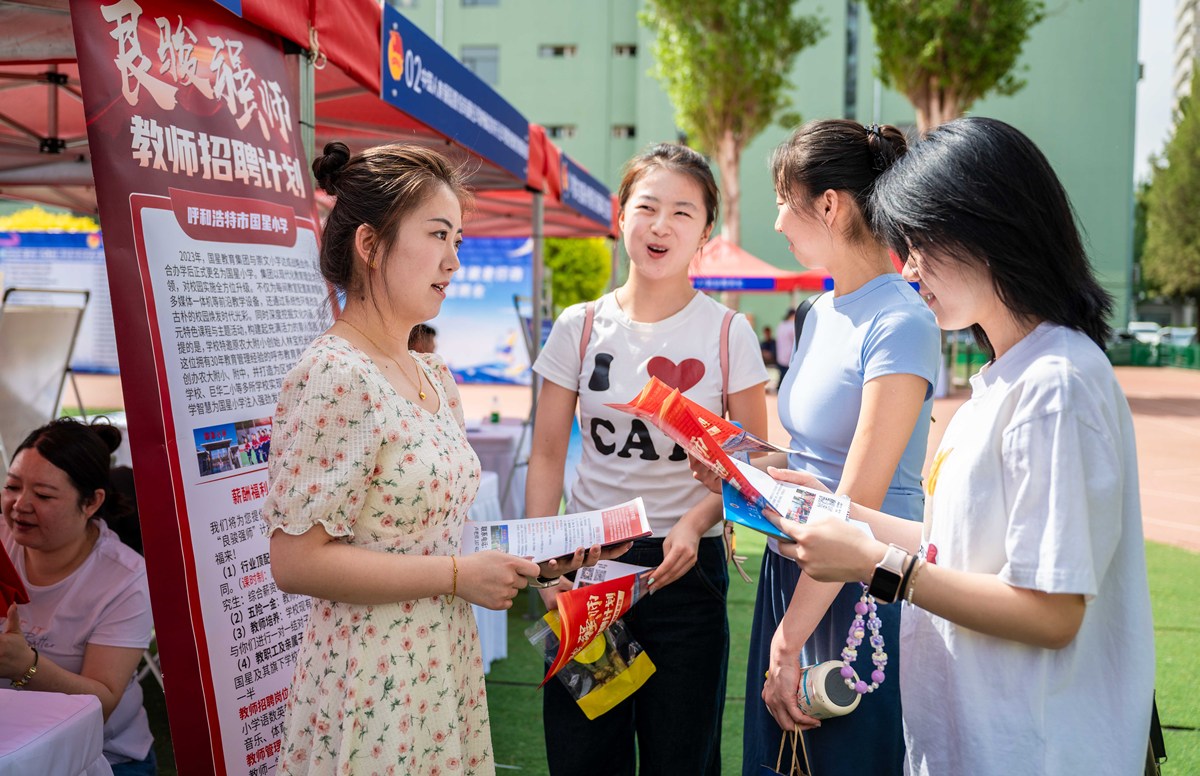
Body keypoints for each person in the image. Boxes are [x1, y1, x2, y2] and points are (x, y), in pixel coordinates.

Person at [775, 116, 1154, 775]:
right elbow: (958, 546)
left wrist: (872, 563)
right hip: (972, 744)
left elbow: (1052, 612)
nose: (912, 270)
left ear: (985, 228)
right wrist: (840, 513)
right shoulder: (1006, 377)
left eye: (920, 245)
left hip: (1037, 752)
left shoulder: (1056, 385)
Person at [264, 141, 608, 775]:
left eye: (457, 238)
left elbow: (434, 531)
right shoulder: (335, 374)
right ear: (370, 245)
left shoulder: (429, 372)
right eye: (439, 235)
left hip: (439, 660)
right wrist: (454, 577)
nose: (454, 260)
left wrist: (539, 550)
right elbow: (296, 561)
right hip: (371, 678)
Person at [527, 142, 770, 775]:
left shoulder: (728, 334)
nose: (661, 226)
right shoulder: (579, 326)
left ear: (706, 232)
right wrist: (547, 568)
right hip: (590, 574)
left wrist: (694, 522)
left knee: (681, 759)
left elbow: (753, 470)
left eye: (682, 213)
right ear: (620, 215)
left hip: (685, 577)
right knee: (586, 756)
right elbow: (548, 452)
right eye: (648, 207)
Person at [721, 119, 941, 775]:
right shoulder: (820, 312)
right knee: (777, 756)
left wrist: (792, 639)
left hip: (857, 582)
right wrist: (742, 465)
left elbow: (857, 500)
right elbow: (810, 460)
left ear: (829, 204)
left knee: (842, 757)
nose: (779, 219)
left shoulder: (902, 321)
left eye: (785, 198)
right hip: (793, 565)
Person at [0, 418, 157, 775]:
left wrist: (25, 666)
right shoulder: (2, 539)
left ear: (91, 503)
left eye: (43, 495)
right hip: (12, 736)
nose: (19, 506)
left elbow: (103, 702)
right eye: (11, 486)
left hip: (102, 755)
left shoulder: (125, 580)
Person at [774, 308, 795, 381]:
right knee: (787, 379)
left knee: (782, 378)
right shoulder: (791, 326)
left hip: (780, 355)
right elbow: (795, 341)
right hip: (789, 356)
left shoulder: (781, 325)